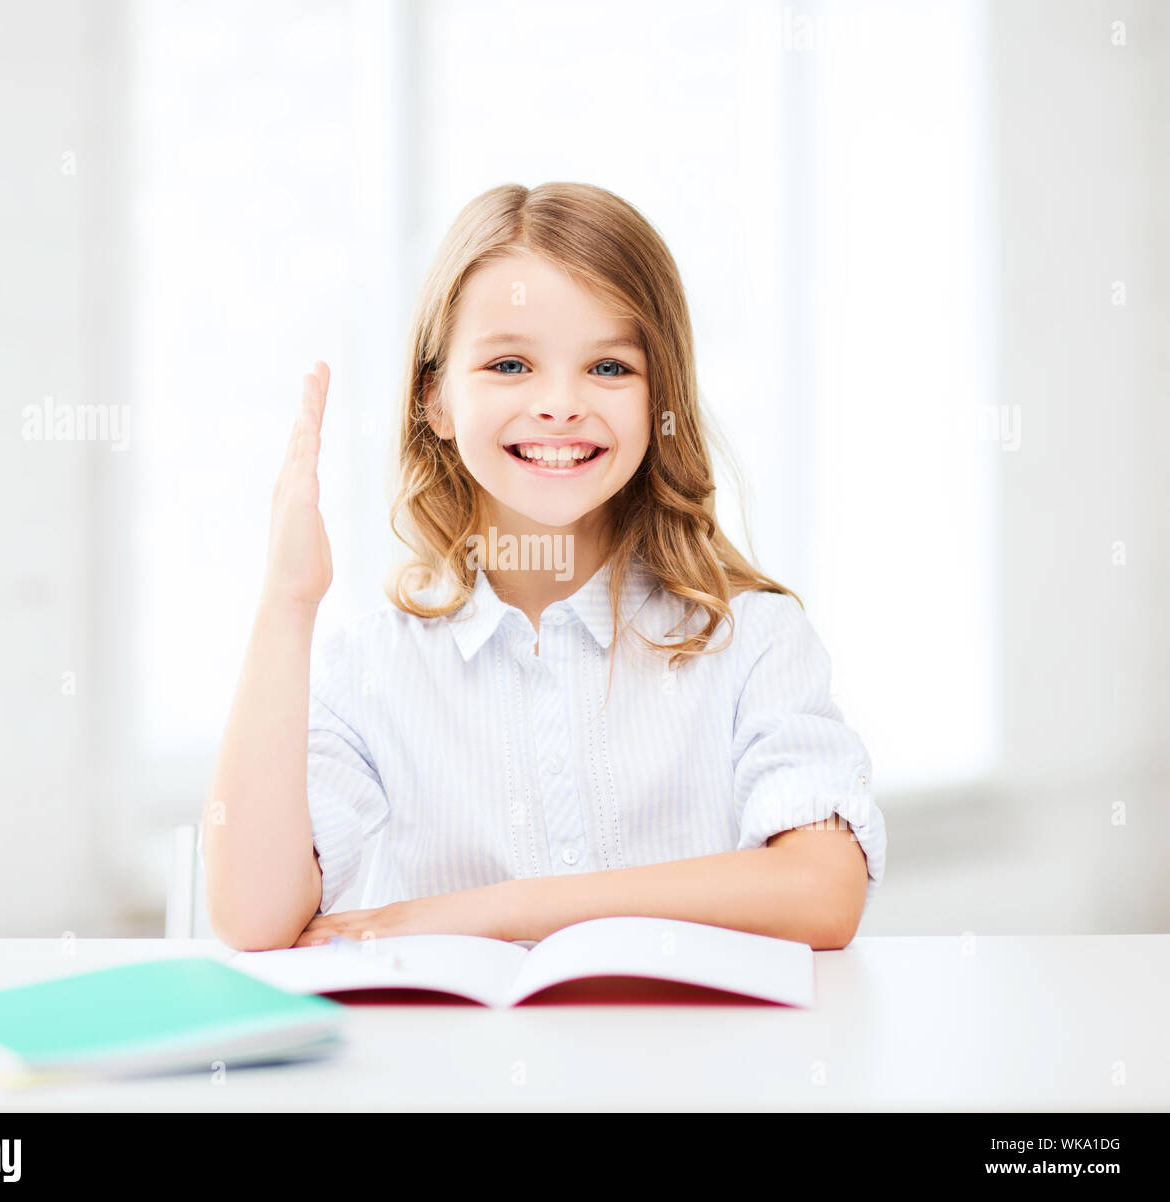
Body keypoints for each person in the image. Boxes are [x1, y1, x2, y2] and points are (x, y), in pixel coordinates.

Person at [202, 181, 885, 953]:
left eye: (609, 368)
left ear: (662, 400)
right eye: (509, 365)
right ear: (437, 401)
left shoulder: (752, 639)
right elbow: (252, 917)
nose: (560, 405)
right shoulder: (371, 670)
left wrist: (505, 910)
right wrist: (287, 604)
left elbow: (823, 892)